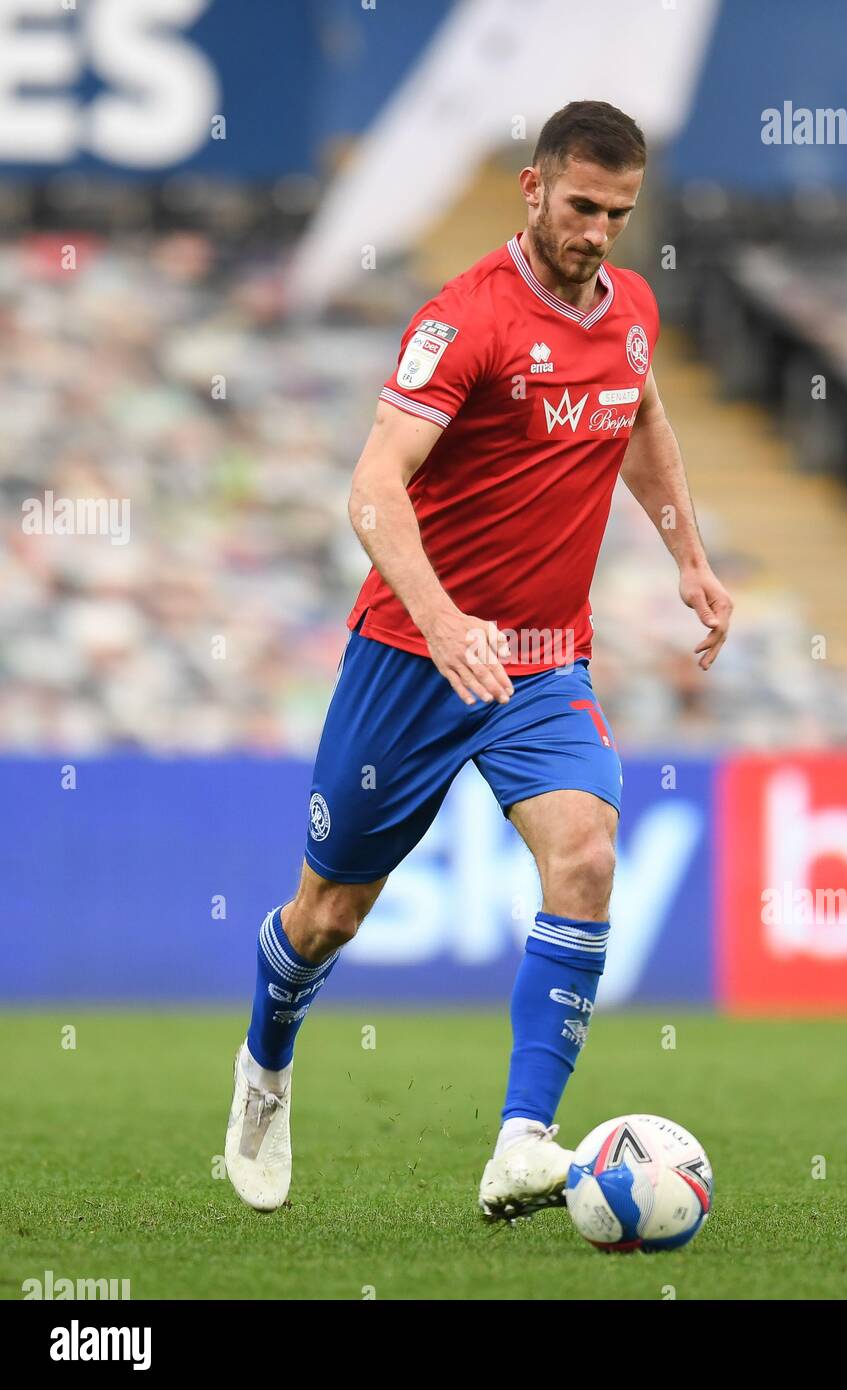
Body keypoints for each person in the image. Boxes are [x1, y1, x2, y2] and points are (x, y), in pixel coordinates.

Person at [224, 99, 733, 1220]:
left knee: (589, 856)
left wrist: (689, 556)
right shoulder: (464, 321)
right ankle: (265, 1066)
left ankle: (522, 1138)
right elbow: (372, 488)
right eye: (582, 205)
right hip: (412, 658)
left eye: (618, 212)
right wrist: (446, 620)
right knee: (327, 917)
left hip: (544, 666)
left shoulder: (631, 312)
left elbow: (638, 418)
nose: (598, 231)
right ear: (535, 189)